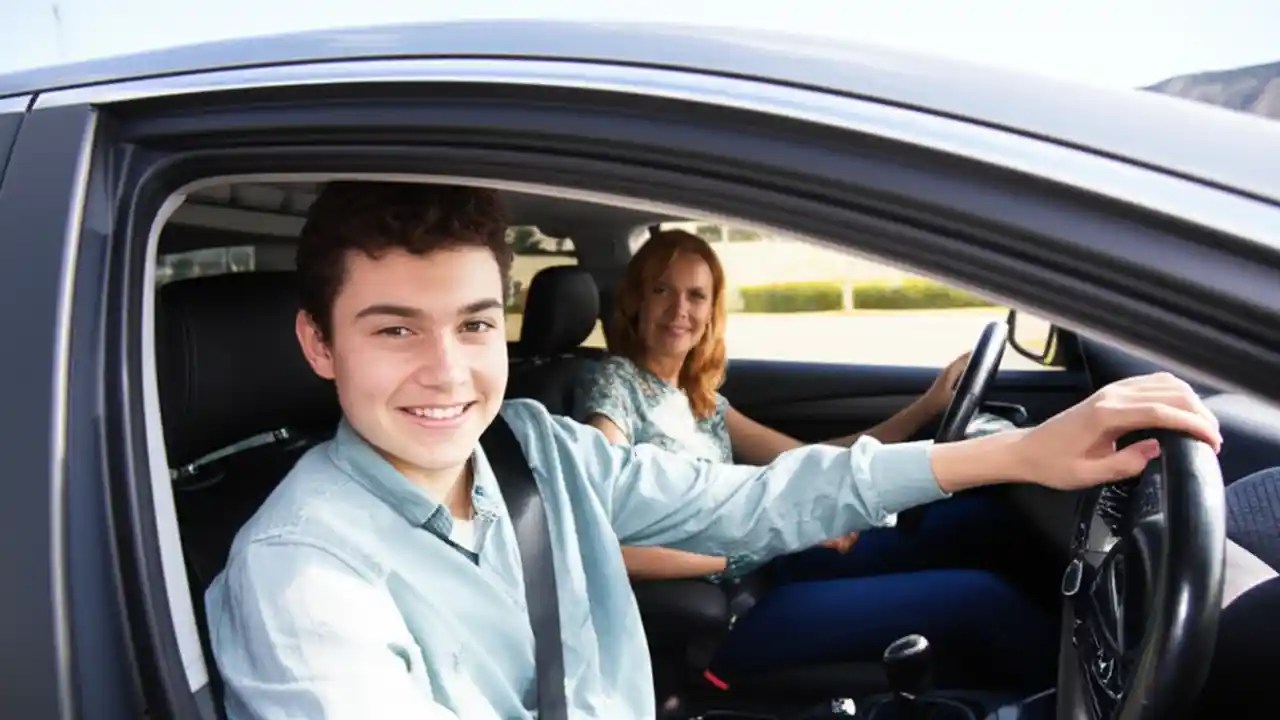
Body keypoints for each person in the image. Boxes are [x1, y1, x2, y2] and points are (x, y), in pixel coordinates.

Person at [204, 181, 1222, 720]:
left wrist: (1015, 456)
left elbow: (749, 501)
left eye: (473, 326)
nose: (446, 373)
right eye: (393, 330)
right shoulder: (303, 575)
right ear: (317, 342)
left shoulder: (528, 445)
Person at [576, 229, 1060, 686]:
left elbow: (812, 459)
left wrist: (927, 407)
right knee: (979, 600)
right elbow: (599, 537)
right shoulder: (613, 388)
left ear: (711, 311)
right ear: (636, 300)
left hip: (770, 564)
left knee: (979, 522)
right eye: (663, 290)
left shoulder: (697, 396)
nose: (680, 309)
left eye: (696, 295)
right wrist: (741, 549)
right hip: (730, 612)